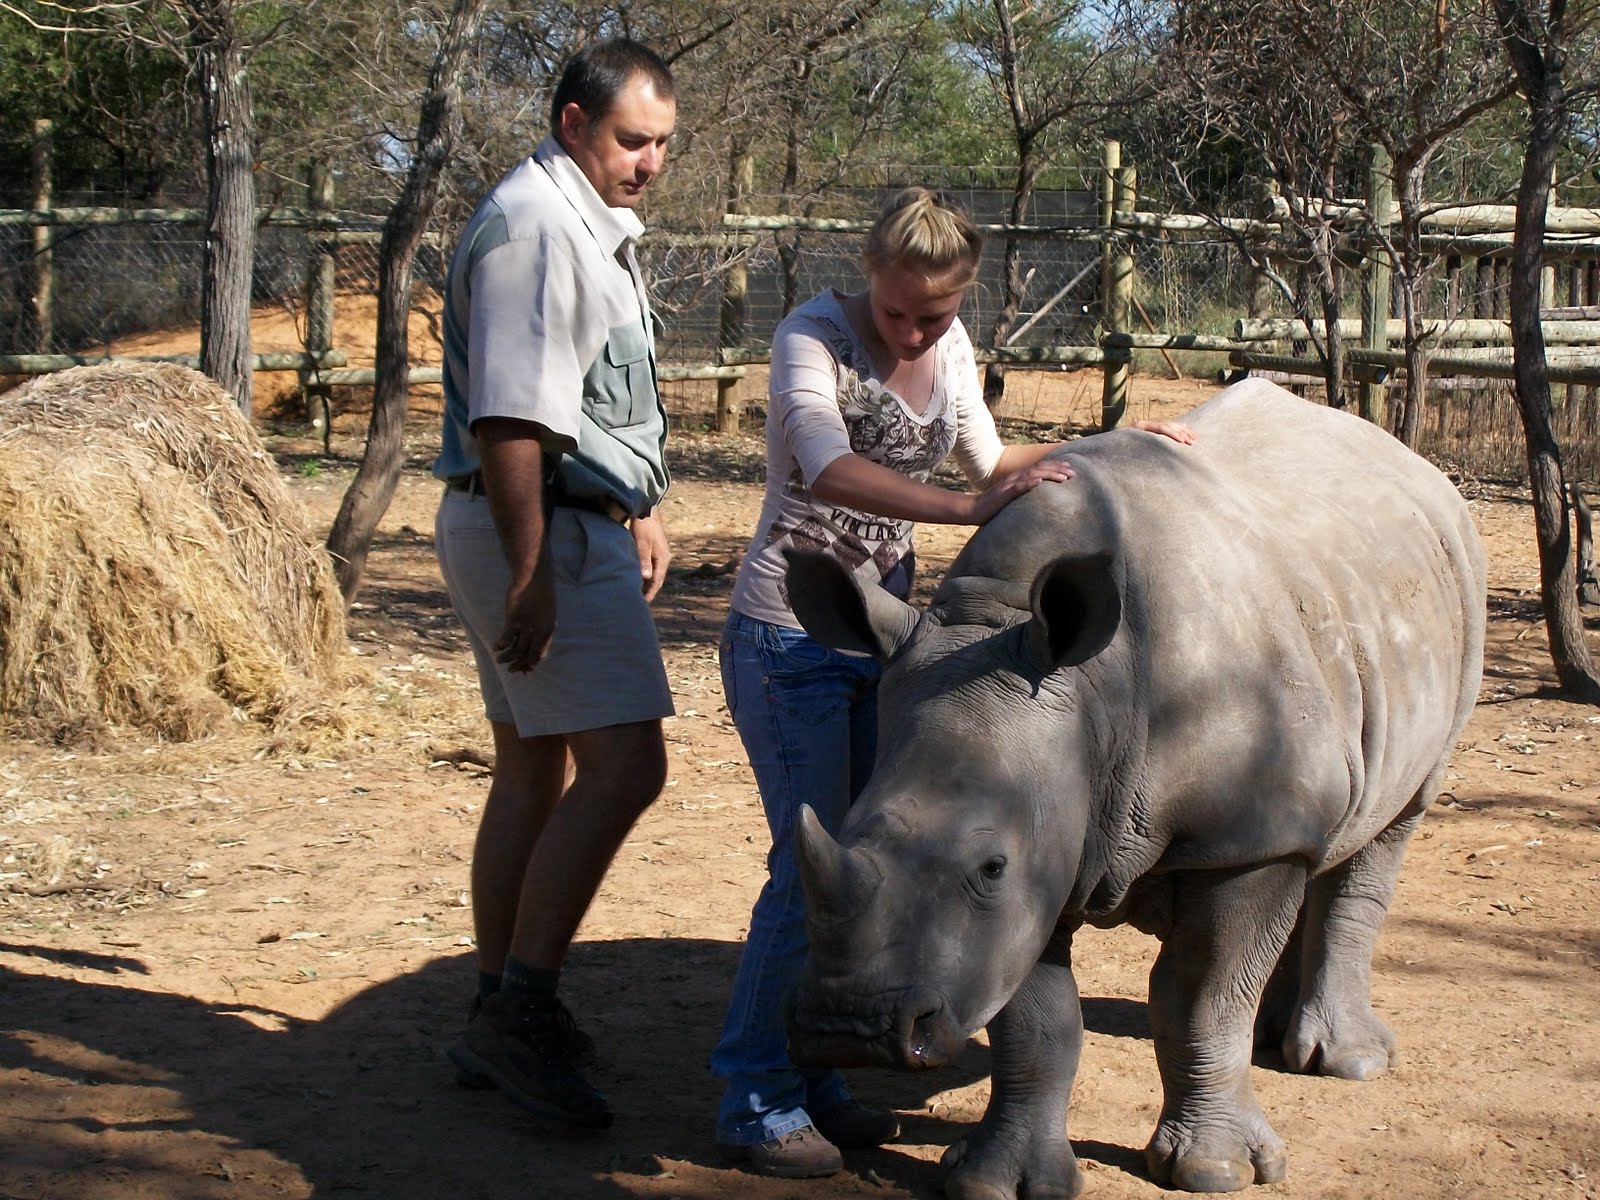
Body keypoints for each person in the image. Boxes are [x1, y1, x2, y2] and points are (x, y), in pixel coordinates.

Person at [711, 187, 1195, 1178]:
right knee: (803, 880)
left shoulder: (953, 347)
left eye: (933, 314)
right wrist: (962, 506)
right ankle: (754, 1095)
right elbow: (825, 463)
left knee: (878, 860)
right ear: (870, 279)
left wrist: (1118, 442)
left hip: (889, 647)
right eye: (897, 312)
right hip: (791, 633)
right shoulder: (814, 336)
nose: (914, 329)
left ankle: (818, 1079)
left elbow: (994, 458)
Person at [431, 38, 678, 1132]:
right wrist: (533, 575)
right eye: (632, 139)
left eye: (663, 143)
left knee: (532, 771)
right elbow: (512, 422)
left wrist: (642, 505)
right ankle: (519, 1010)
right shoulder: (536, 226)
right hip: (534, 536)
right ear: (574, 123)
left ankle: (499, 1004)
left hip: (554, 526)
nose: (649, 162)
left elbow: (587, 401)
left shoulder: (575, 219)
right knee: (628, 767)